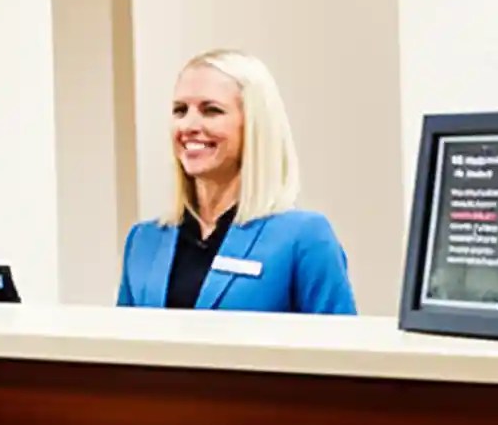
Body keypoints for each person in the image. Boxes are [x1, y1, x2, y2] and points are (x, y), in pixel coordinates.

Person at [116, 48, 356, 314]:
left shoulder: (304, 238)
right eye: (180, 110)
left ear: (253, 124)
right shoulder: (143, 241)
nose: (189, 125)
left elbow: (338, 351)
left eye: (211, 111)